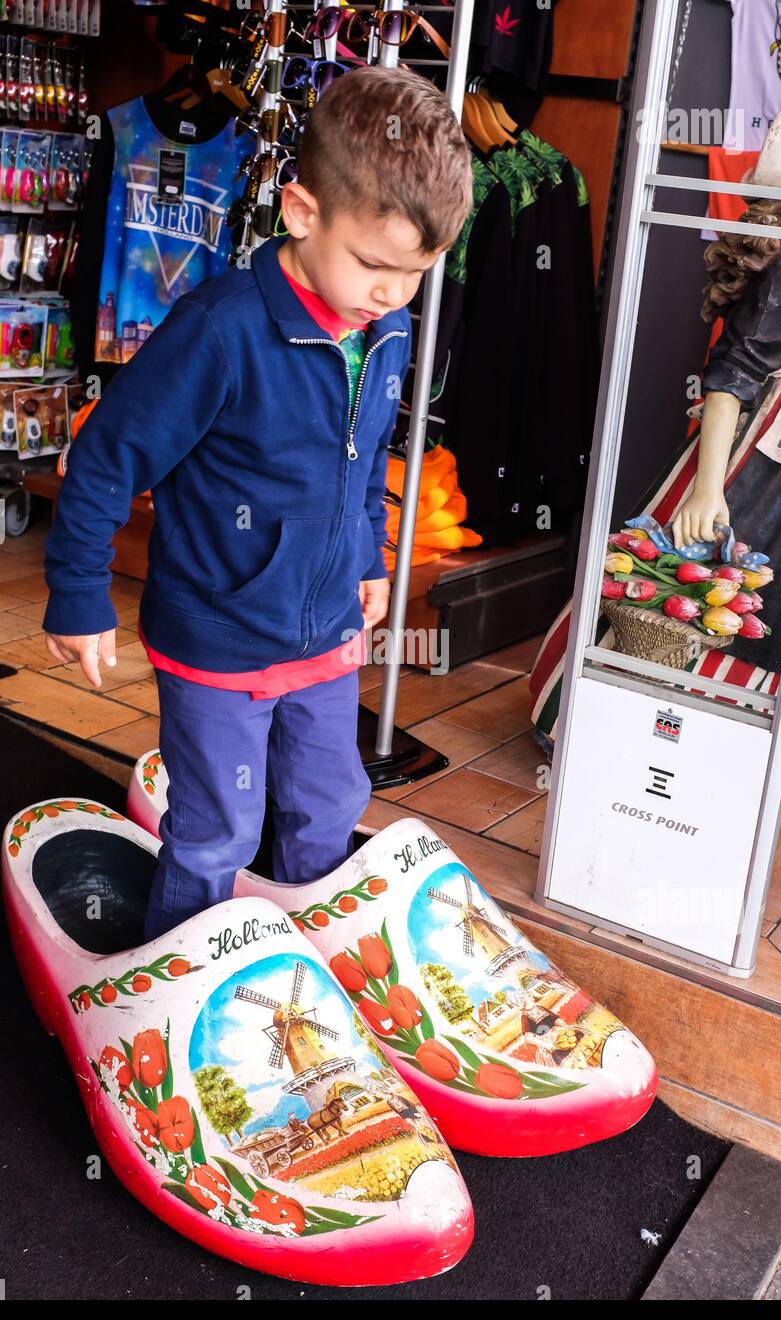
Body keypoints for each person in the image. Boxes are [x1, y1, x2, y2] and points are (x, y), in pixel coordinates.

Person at [41, 66, 473, 940]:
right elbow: (104, 456)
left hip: (324, 632)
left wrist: (369, 558)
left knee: (329, 805)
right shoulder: (220, 329)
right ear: (303, 213)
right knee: (218, 832)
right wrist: (80, 593)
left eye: (418, 272)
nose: (395, 293)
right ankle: (177, 987)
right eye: (375, 265)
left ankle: (303, 965)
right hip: (218, 638)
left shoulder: (383, 325)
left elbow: (361, 459)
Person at [529, 74, 781, 756]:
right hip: (768, 467)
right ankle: (655, 739)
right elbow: (735, 372)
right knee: (717, 595)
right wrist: (711, 486)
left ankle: (748, 750)